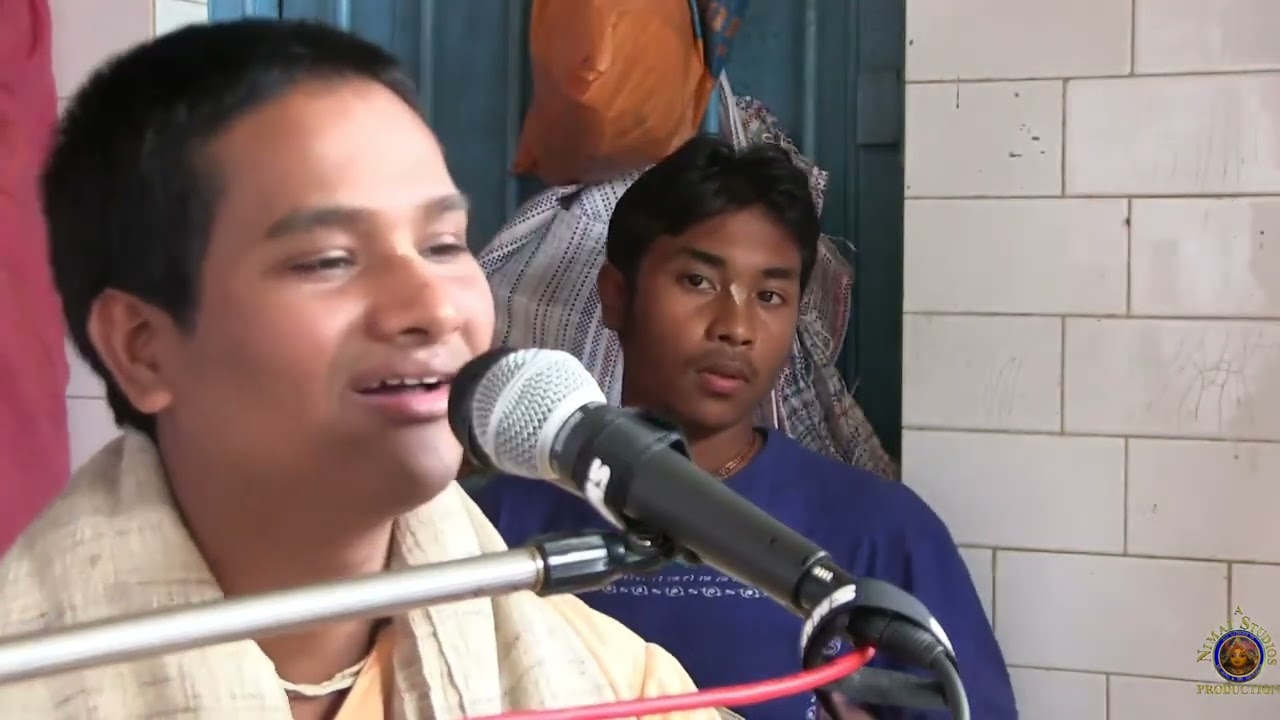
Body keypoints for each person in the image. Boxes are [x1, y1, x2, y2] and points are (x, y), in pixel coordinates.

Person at [0, 20, 722, 720]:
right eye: (329, 260)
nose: (433, 308)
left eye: (443, 244)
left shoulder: (613, 689)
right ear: (142, 348)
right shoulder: (26, 674)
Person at [469, 136, 1019, 720]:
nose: (736, 326)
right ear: (617, 295)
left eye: (771, 295)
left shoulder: (881, 532)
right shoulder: (495, 528)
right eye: (698, 282)